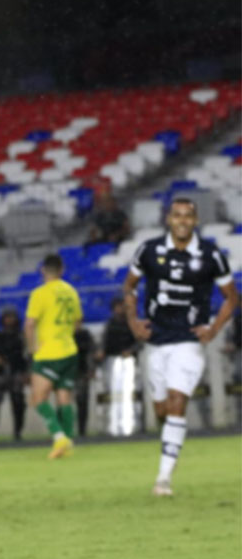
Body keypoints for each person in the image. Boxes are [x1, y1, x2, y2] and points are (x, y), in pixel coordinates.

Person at [122, 197, 236, 496]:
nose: (183, 220)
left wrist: (213, 329)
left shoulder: (211, 255)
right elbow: (129, 286)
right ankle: (171, 444)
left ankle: (163, 479)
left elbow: (232, 297)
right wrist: (133, 322)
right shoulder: (149, 250)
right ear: (169, 219)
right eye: (177, 215)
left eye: (188, 216)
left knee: (176, 402)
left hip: (189, 341)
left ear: (195, 221)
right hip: (156, 341)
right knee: (161, 409)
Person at [24, 253, 83, 460]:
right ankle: (68, 442)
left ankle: (59, 438)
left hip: (48, 353)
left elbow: (30, 324)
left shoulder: (40, 293)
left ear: (43, 270)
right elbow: (78, 321)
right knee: (63, 397)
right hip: (69, 350)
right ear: (62, 270)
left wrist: (32, 348)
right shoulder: (71, 291)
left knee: (38, 398)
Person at [98, 296, 141, 435]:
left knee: (131, 392)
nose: (120, 310)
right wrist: (102, 352)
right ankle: (113, 427)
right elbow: (104, 342)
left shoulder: (131, 323)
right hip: (112, 360)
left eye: (122, 306)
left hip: (129, 361)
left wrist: (131, 351)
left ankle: (133, 425)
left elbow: (139, 342)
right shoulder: (110, 325)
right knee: (113, 393)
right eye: (117, 307)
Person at [0, 310, 28, 442]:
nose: (9, 320)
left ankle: (17, 433)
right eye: (7, 317)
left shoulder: (22, 336)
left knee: (18, 404)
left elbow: (28, 355)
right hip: (0, 374)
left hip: (16, 373)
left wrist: (27, 373)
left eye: (12, 317)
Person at [72, 322, 98, 439]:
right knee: (63, 402)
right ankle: (63, 430)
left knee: (82, 401)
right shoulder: (65, 335)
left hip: (82, 372)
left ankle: (82, 430)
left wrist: (91, 369)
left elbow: (92, 352)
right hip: (67, 372)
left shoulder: (85, 335)